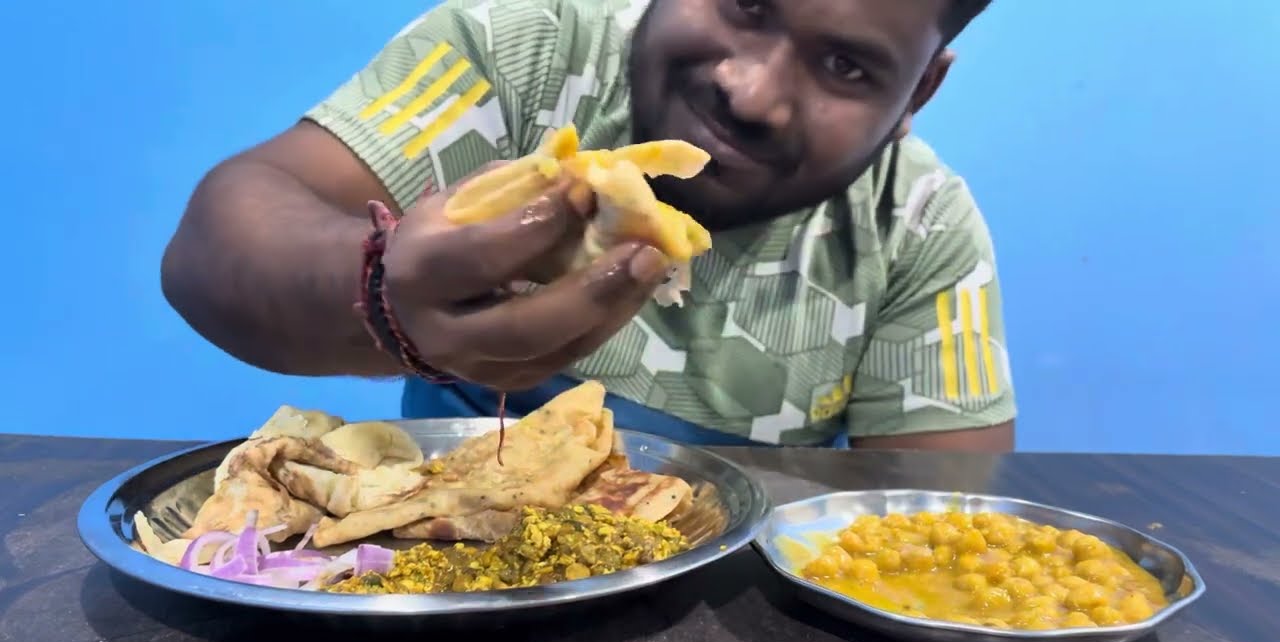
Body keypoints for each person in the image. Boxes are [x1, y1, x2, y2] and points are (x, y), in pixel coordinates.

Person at [161, 0, 1015, 452]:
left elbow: (934, 514)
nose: (750, 91)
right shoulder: (523, 51)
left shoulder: (920, 227)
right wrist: (385, 294)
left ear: (919, 96)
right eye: (747, 2)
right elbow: (220, 239)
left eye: (845, 66)